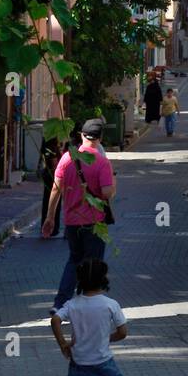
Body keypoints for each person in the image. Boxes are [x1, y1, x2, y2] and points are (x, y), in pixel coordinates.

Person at [42, 120, 116, 310]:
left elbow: (55, 189)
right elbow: (107, 192)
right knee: (93, 265)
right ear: (100, 139)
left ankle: (60, 303)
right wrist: (113, 180)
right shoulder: (102, 162)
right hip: (95, 222)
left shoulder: (67, 159)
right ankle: (86, 305)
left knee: (74, 260)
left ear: (82, 135)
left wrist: (50, 218)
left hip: (71, 221)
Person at [40, 137, 63, 237]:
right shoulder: (52, 149)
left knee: (46, 201)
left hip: (47, 175)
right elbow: (55, 164)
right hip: (53, 176)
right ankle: (52, 229)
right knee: (54, 203)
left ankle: (45, 227)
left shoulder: (46, 148)